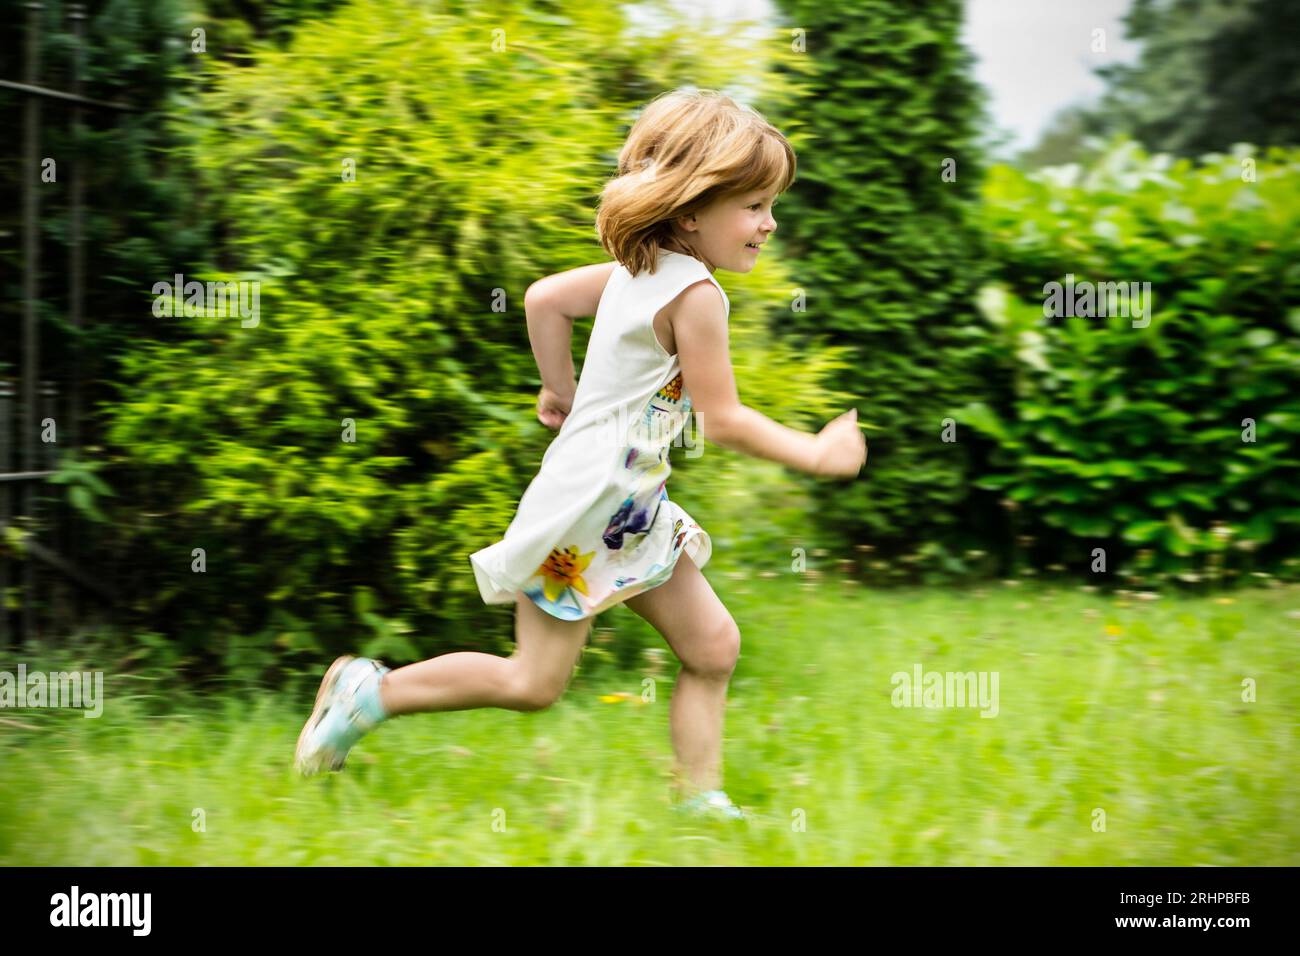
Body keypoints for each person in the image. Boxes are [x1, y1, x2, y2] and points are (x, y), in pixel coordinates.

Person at [295, 89, 867, 821]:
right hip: (592, 507)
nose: (770, 222)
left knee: (713, 646)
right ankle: (367, 693)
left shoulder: (642, 269)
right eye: (754, 204)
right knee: (532, 682)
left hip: (620, 501)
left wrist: (560, 393)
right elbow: (722, 421)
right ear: (692, 210)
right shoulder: (696, 295)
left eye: (771, 203)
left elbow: (542, 301)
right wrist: (816, 453)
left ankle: (700, 801)